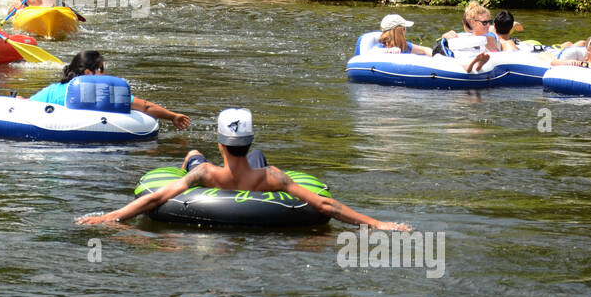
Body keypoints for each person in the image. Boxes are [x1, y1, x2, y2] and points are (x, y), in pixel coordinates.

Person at [77, 108, 410, 229]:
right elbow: (325, 205)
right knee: (259, 157)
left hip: (215, 180)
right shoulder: (271, 176)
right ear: (247, 142)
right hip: (255, 182)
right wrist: (378, 224)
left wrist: (108, 217)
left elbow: (155, 198)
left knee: (193, 152)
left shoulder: (205, 172)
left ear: (220, 144)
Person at [28, 50, 190, 129]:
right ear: (88, 73)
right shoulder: (107, 92)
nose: (105, 73)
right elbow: (146, 107)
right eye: (101, 68)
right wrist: (173, 116)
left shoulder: (54, 90)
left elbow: (28, 105)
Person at [440, 1, 501, 72]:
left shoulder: (491, 37)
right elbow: (444, 44)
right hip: (467, 59)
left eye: (489, 22)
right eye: (484, 22)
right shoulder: (464, 38)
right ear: (473, 22)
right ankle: (473, 64)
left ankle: (477, 63)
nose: (488, 25)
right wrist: (444, 36)